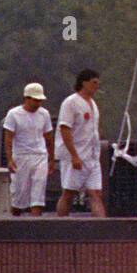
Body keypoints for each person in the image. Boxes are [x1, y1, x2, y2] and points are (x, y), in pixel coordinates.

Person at [55, 68, 106, 218]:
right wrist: (74, 155)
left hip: (92, 157)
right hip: (75, 157)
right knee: (69, 193)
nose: (97, 86)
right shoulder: (71, 102)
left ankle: (102, 231)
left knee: (96, 193)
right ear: (84, 83)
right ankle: (60, 226)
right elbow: (65, 129)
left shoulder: (93, 104)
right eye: (94, 83)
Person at [3, 83, 55, 217]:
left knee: (38, 193)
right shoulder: (13, 114)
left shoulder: (44, 114)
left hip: (40, 156)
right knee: (19, 196)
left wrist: (51, 159)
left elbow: (49, 138)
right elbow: (8, 139)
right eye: (35, 100)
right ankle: (15, 221)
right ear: (27, 98)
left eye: (40, 101)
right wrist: (9, 159)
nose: (38, 103)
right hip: (21, 156)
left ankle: (36, 226)